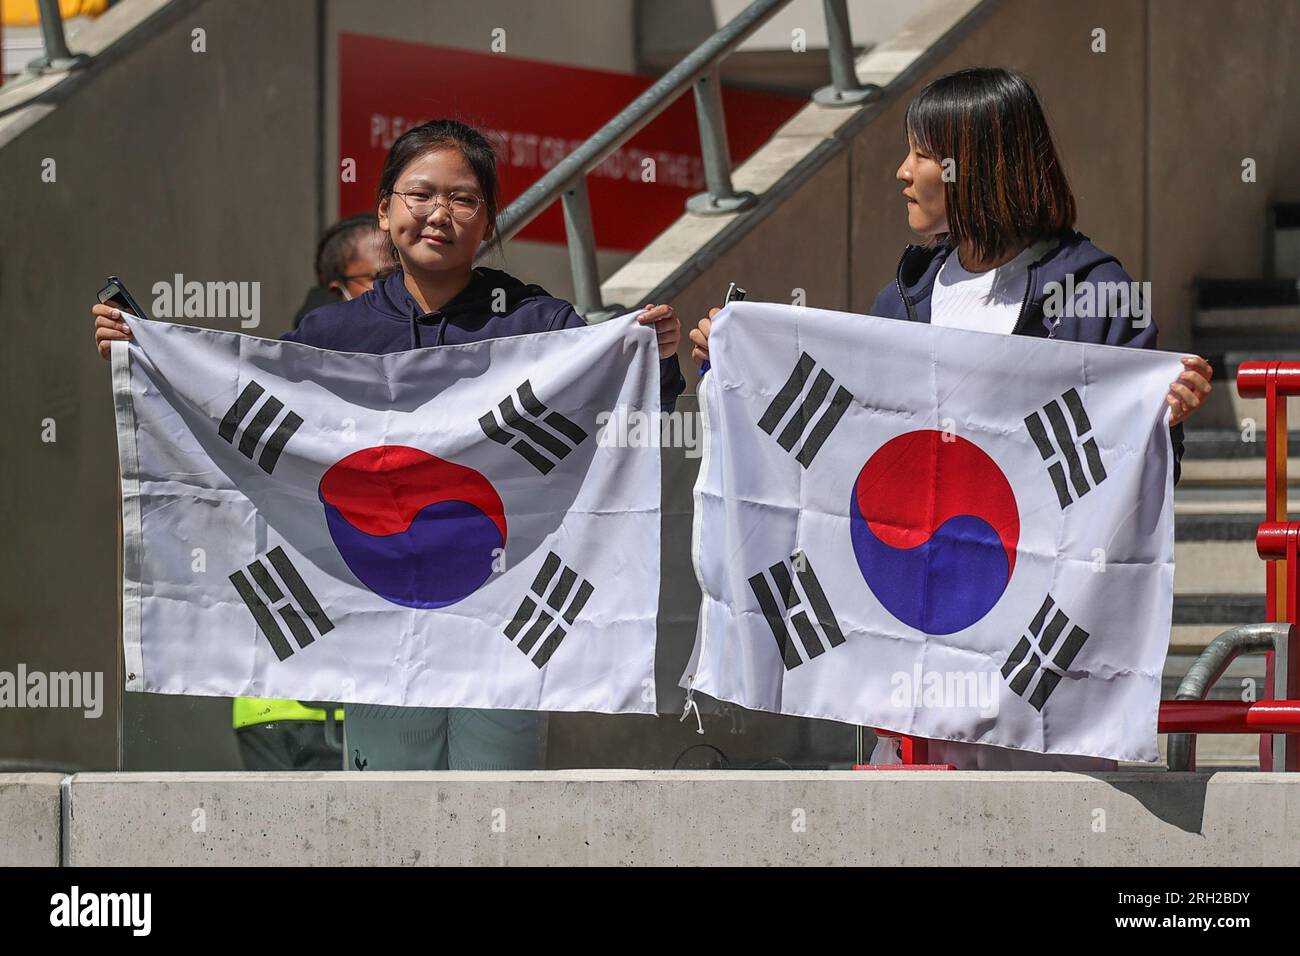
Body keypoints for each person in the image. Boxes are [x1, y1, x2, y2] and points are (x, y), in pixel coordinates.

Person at [94, 118, 685, 770]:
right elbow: (238, 416)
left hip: (502, 630)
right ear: (384, 211)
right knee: (386, 823)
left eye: (463, 199)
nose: (439, 214)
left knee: (498, 816)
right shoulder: (333, 333)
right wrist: (147, 355)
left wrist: (654, 361)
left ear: (488, 224)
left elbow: (622, 425)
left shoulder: (539, 326)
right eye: (419, 194)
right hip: (369, 630)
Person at [689, 67, 1213, 770]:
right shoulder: (902, 299)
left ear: (978, 164)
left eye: (922, 154)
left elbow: (1133, 487)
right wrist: (736, 367)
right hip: (909, 674)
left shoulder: (1097, 295)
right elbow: (843, 449)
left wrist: (1164, 422)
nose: (902, 173)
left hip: (1037, 688)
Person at [290, 213, 393, 328]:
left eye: (402, 273)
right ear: (338, 291)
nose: (398, 283)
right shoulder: (319, 341)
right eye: (383, 276)